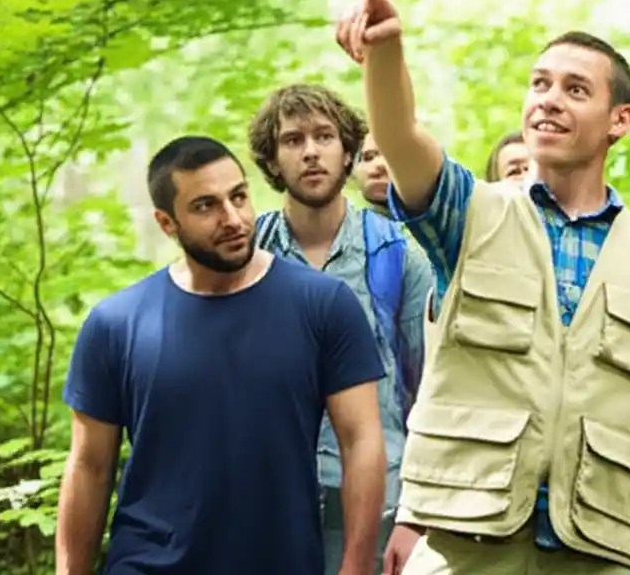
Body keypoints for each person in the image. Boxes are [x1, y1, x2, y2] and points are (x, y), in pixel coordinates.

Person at [335, 0, 630, 575]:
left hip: (592, 554)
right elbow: (399, 138)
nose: (549, 99)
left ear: (619, 119)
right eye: (539, 84)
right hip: (463, 548)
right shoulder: (469, 213)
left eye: (576, 89)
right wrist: (387, 50)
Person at [55, 136, 387, 575]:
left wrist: (357, 566)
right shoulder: (116, 324)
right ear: (167, 223)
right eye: (205, 206)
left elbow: (361, 440)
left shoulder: (323, 305)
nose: (233, 218)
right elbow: (88, 466)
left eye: (239, 197)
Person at [247, 84, 434, 574]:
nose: (310, 151)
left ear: (348, 151)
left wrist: (417, 515)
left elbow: (431, 393)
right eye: (292, 140)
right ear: (271, 160)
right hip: (268, 504)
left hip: (379, 505)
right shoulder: (246, 254)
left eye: (324, 136)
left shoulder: (396, 253)